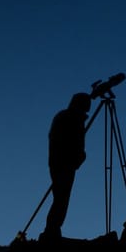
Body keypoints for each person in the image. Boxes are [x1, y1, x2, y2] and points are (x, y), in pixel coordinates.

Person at [41, 92, 91, 242]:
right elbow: (69, 142)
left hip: (61, 163)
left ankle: (52, 229)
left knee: (61, 198)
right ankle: (51, 230)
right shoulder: (70, 119)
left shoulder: (66, 117)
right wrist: (78, 157)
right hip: (64, 164)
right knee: (61, 199)